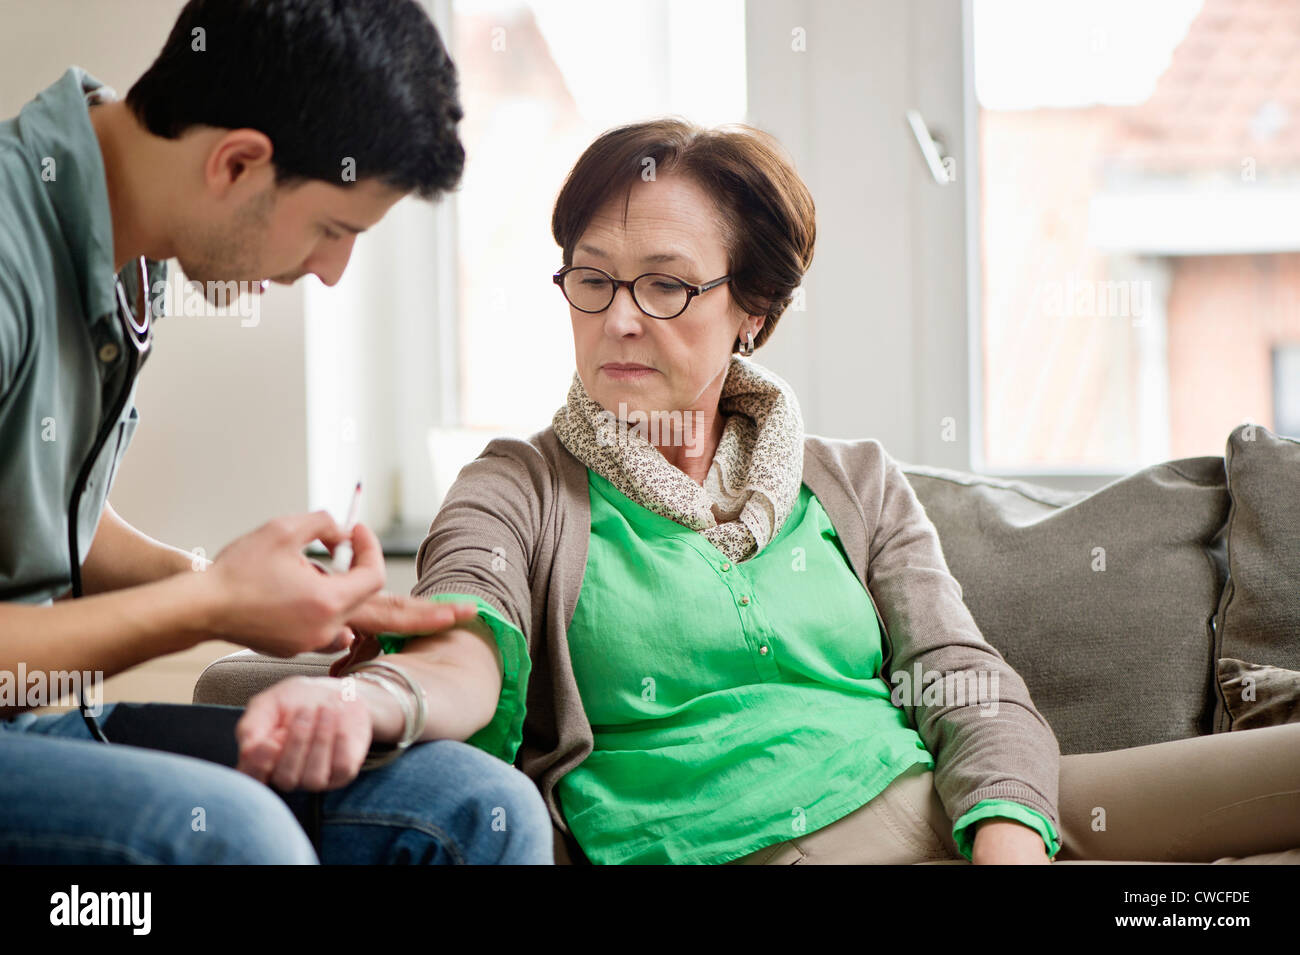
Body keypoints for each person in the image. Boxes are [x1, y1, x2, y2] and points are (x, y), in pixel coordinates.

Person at [342, 117, 1300, 864]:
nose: (621, 320)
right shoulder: (518, 485)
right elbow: (462, 639)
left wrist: (1007, 834)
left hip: (937, 810)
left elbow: (962, 677)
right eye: (592, 281)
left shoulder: (852, 481)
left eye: (665, 287)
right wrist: (380, 694)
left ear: (750, 311)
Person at [0, 0, 551, 864]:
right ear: (238, 163)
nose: (332, 273)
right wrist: (211, 605)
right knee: (239, 837)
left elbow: (33, 504)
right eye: (335, 229)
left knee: (477, 806)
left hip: (38, 724)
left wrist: (238, 589)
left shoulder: (122, 241)